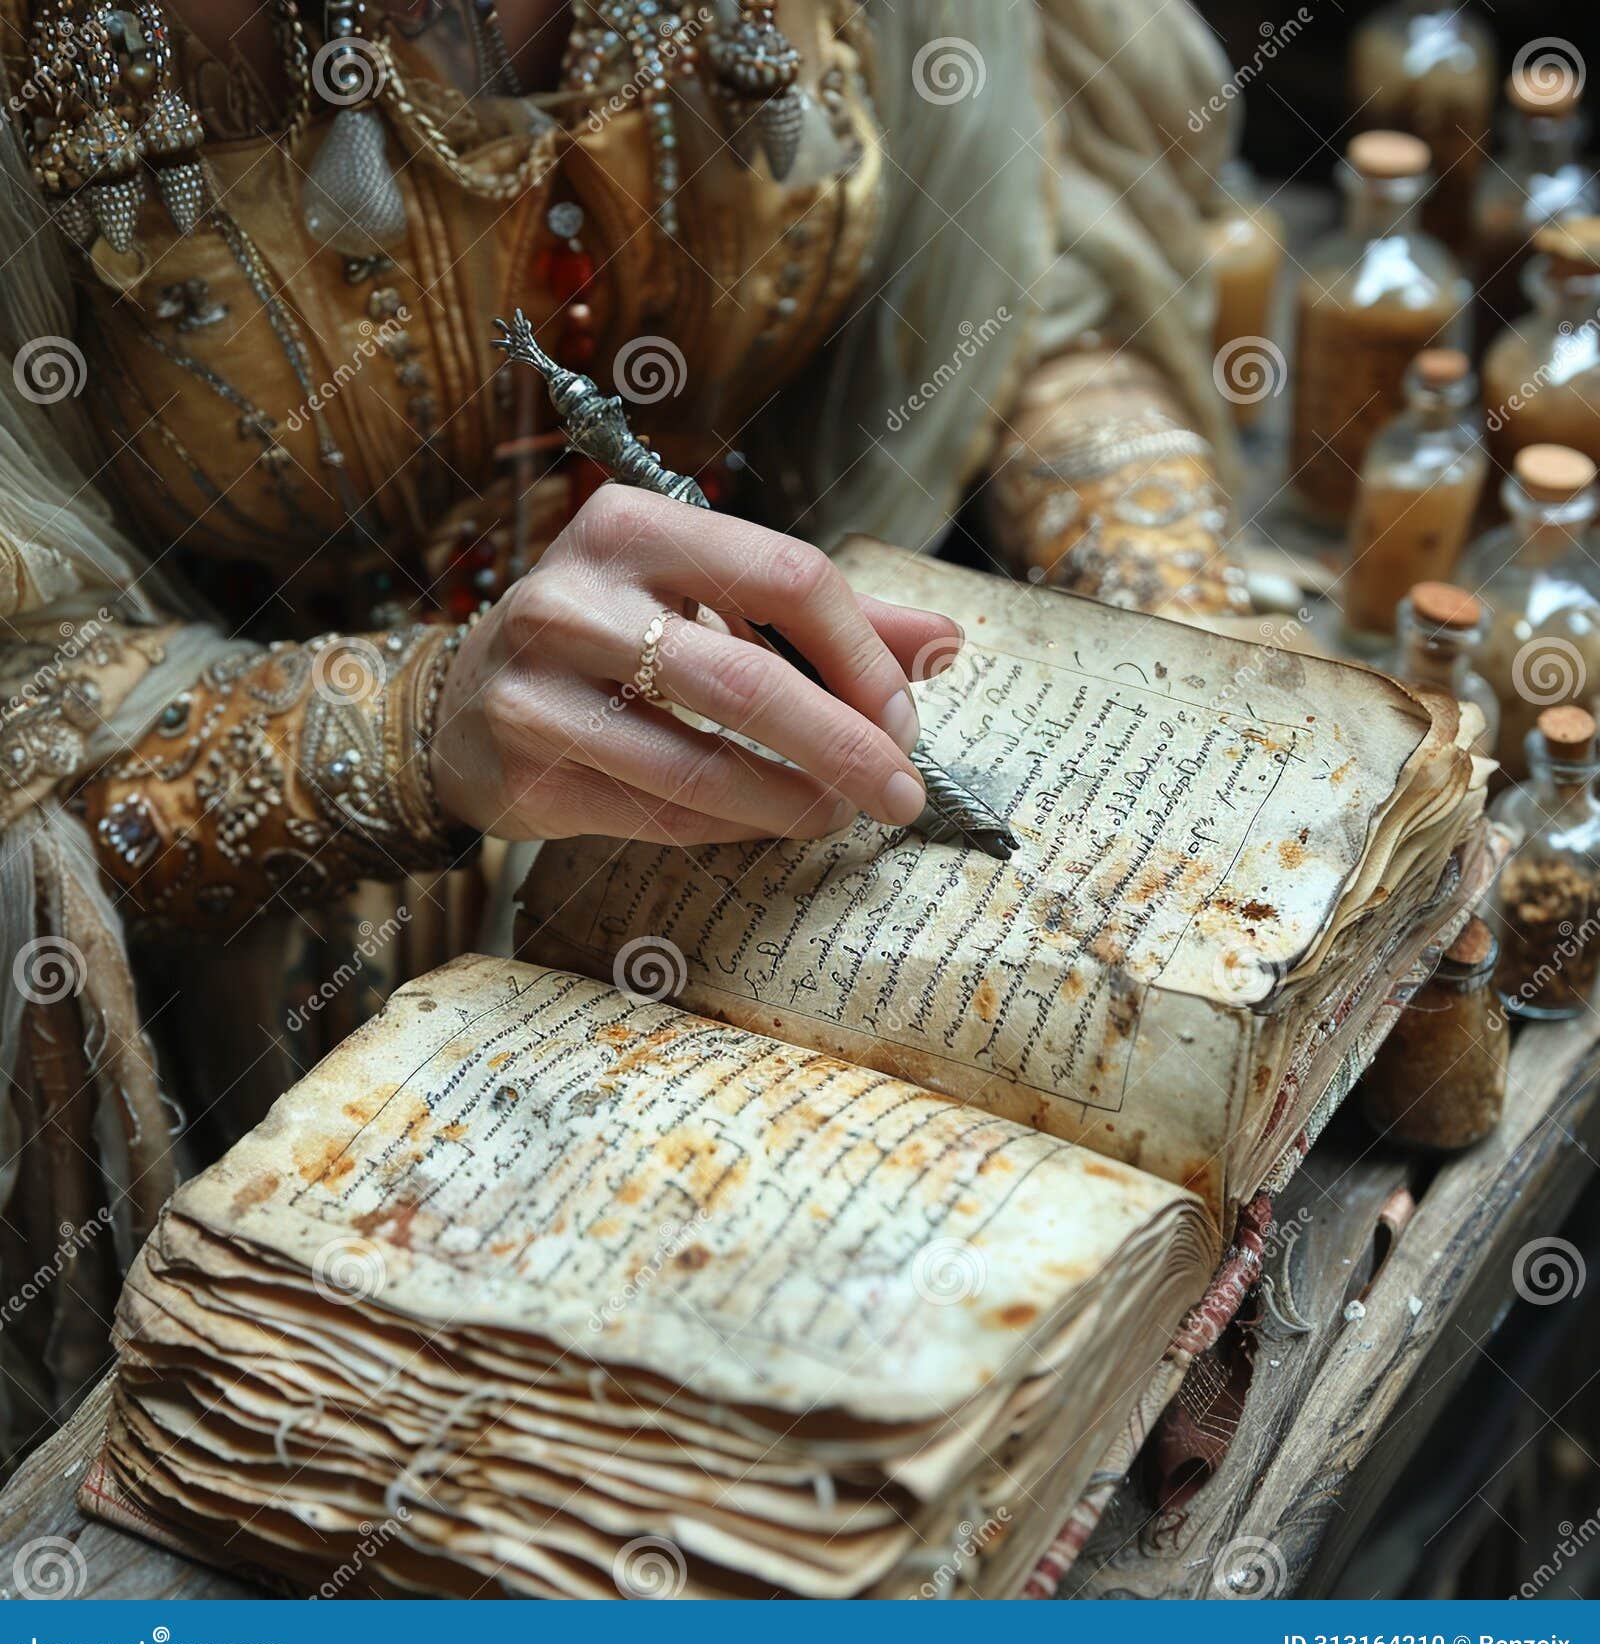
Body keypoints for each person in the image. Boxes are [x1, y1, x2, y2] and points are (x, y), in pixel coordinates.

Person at [0, 0, 1241, 1457]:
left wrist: (1180, 639)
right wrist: (417, 728)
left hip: (811, 856)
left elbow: (1021, 290)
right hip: (297, 1051)